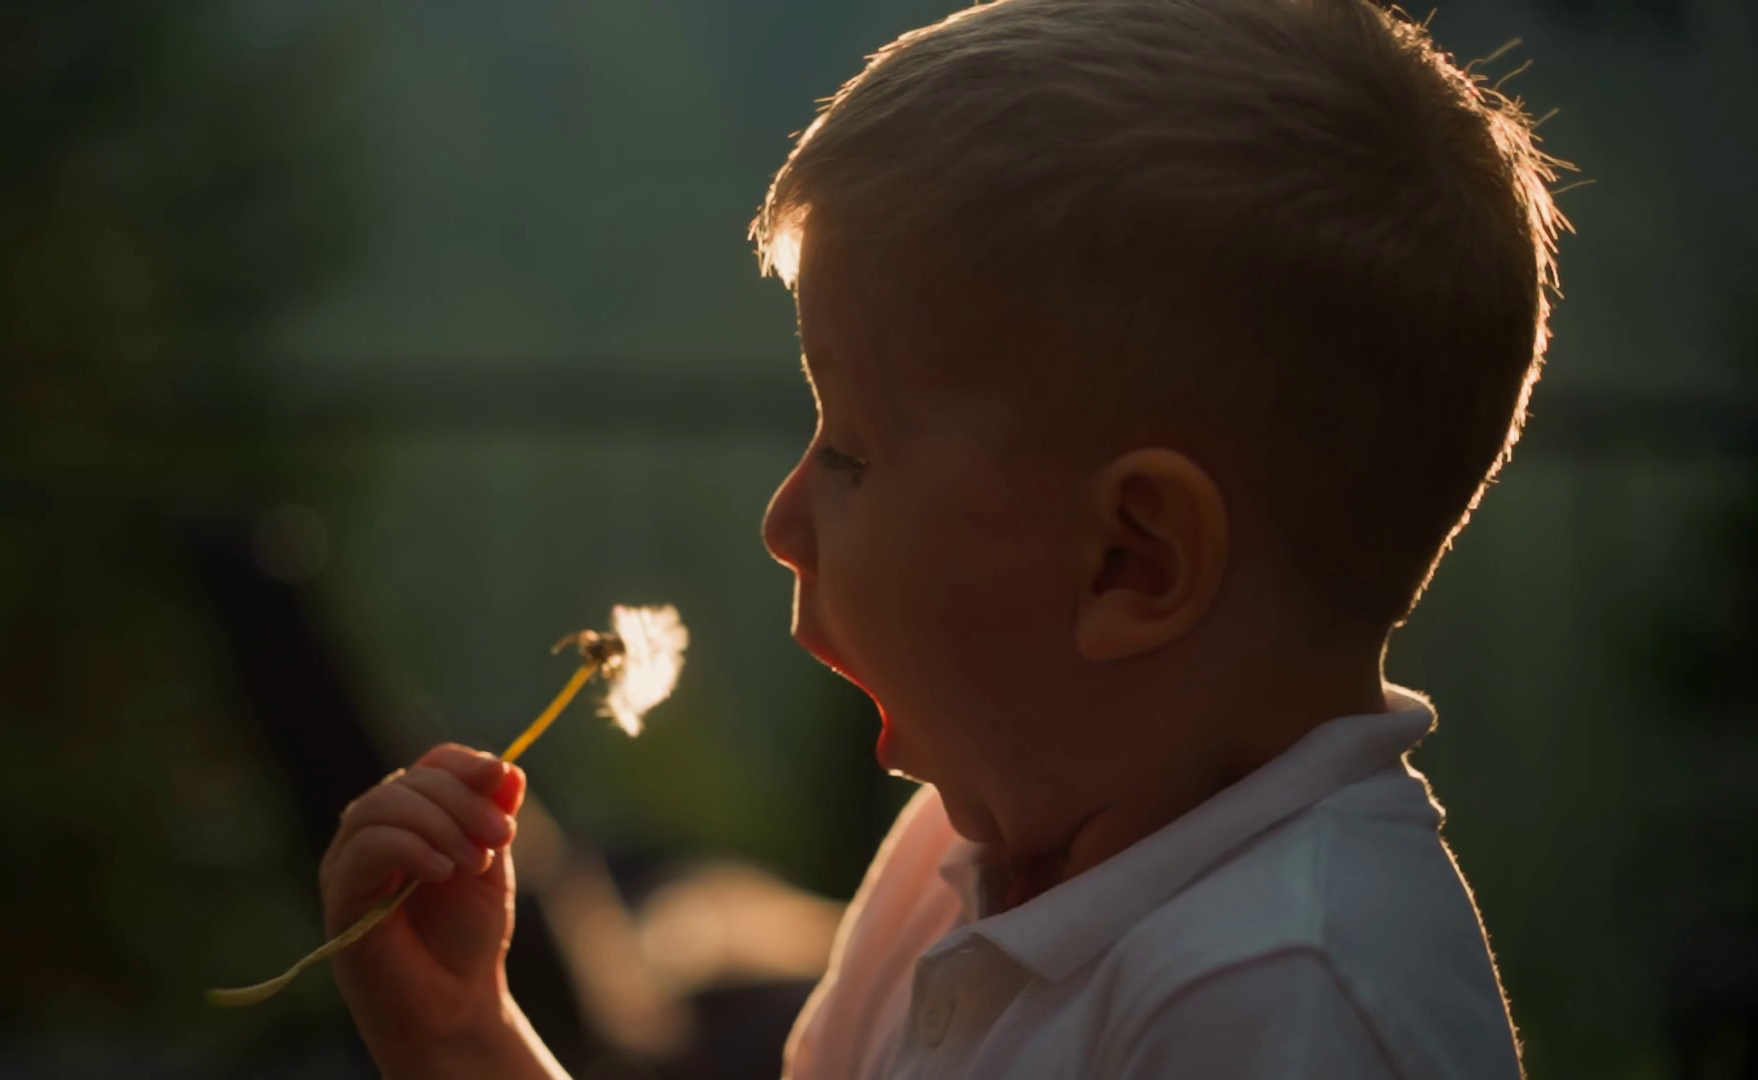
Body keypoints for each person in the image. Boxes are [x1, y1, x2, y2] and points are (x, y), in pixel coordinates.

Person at [317, 0, 1569, 1073]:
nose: (782, 518)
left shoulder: (1279, 1006)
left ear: (1133, 561)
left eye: (852, 449)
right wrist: (462, 1043)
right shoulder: (953, 860)